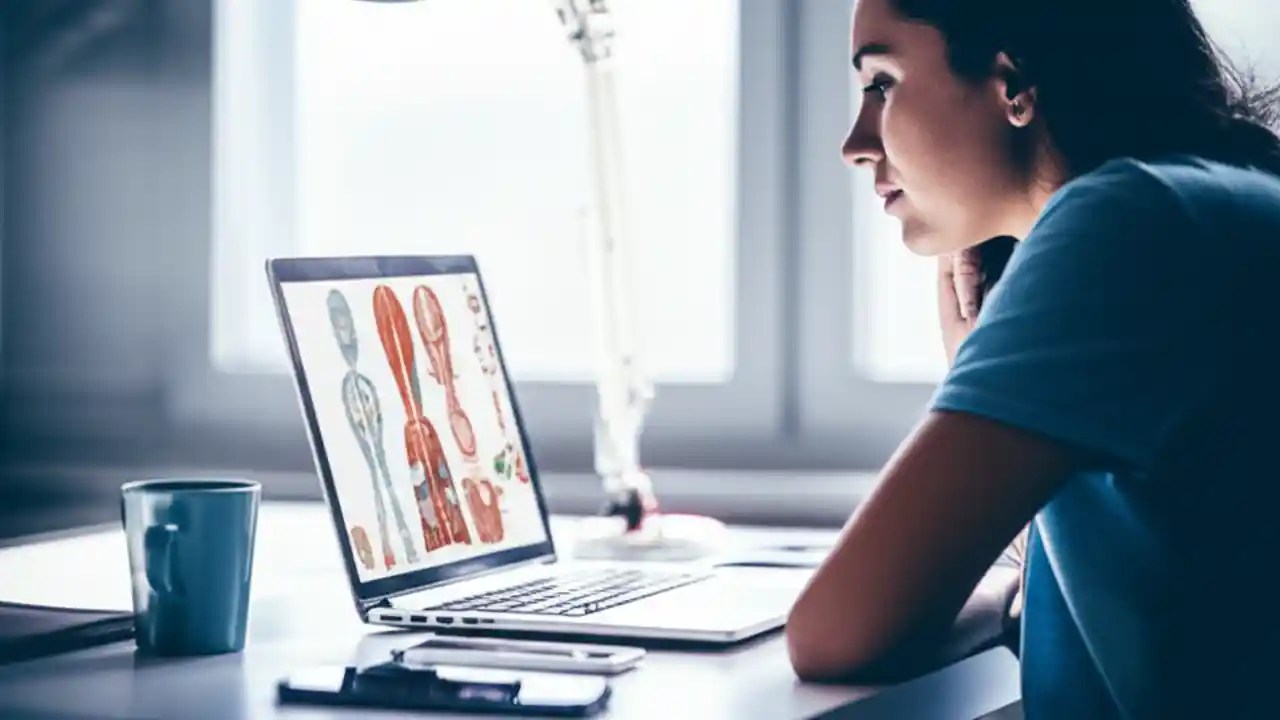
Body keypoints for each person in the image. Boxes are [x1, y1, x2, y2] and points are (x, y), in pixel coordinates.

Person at [784, 0, 1280, 717]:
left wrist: (976, 384)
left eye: (882, 82)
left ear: (1012, 82)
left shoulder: (1128, 223)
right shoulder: (1219, 200)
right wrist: (995, 378)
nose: (855, 144)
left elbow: (833, 635)